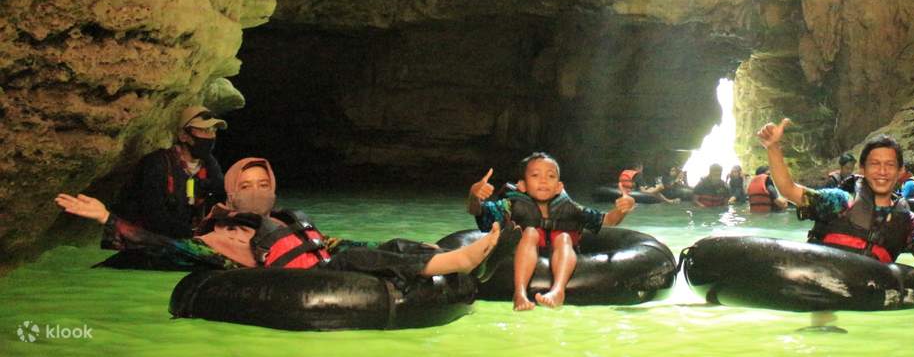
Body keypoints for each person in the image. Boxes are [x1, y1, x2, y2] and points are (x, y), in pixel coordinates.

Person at [56, 157, 501, 289]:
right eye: (245, 184)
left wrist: (420, 244)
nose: (254, 189)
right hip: (295, 282)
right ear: (231, 192)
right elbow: (168, 248)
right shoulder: (222, 233)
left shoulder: (286, 219)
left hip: (323, 263)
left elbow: (332, 242)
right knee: (357, 260)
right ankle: (453, 264)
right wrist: (108, 218)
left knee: (377, 246)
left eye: (262, 181)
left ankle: (449, 258)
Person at [756, 118, 914, 267]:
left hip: (867, 293)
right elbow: (789, 190)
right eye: (875, 164)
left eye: (890, 165)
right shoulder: (839, 201)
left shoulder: (906, 221)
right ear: (862, 170)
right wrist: (773, 147)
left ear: (900, 171)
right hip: (825, 287)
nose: (882, 171)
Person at [469, 152, 635, 311]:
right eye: (535, 175)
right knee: (530, 233)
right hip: (523, 251)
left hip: (561, 252)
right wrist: (474, 196)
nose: (543, 181)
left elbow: (608, 220)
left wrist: (622, 210)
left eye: (550, 176)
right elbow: (479, 212)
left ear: (559, 186)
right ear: (523, 185)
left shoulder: (571, 208)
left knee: (563, 237)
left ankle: (558, 291)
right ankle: (519, 293)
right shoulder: (511, 205)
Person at [112, 105, 227, 240]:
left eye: (213, 130)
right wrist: (191, 235)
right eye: (204, 130)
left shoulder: (209, 165)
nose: (211, 136)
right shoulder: (156, 163)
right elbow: (152, 214)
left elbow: (221, 197)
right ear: (183, 136)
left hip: (183, 242)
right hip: (146, 241)